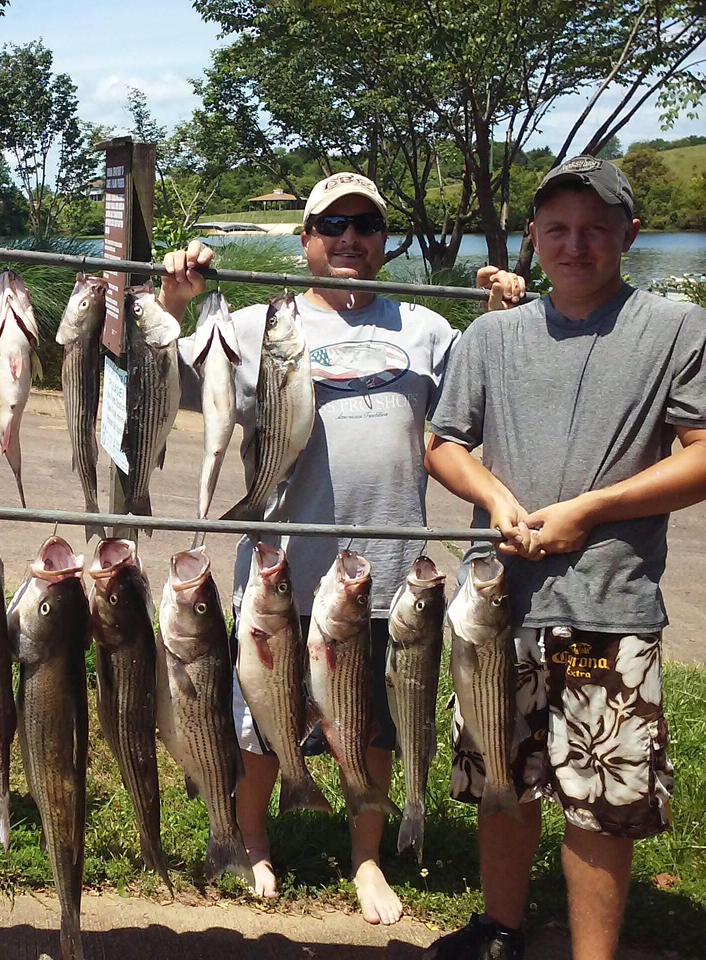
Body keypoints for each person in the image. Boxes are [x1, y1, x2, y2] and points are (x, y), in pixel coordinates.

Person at [161, 172, 525, 923]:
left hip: (392, 579)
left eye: (364, 224)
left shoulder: (426, 328)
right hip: (283, 574)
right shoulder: (260, 319)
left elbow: (477, 408)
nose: (349, 237)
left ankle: (367, 857)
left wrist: (499, 319)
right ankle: (252, 837)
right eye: (331, 224)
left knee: (375, 726)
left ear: (383, 242)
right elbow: (160, 379)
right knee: (265, 717)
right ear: (306, 240)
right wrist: (173, 301)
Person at [422, 157, 706, 960]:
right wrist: (499, 501)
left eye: (593, 229)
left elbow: (702, 454)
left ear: (629, 234)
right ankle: (500, 925)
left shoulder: (675, 327)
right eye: (557, 230)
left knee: (599, 801)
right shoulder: (492, 334)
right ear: (533, 239)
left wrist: (589, 511)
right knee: (500, 782)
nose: (574, 244)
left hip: (608, 608)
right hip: (496, 607)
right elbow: (444, 444)